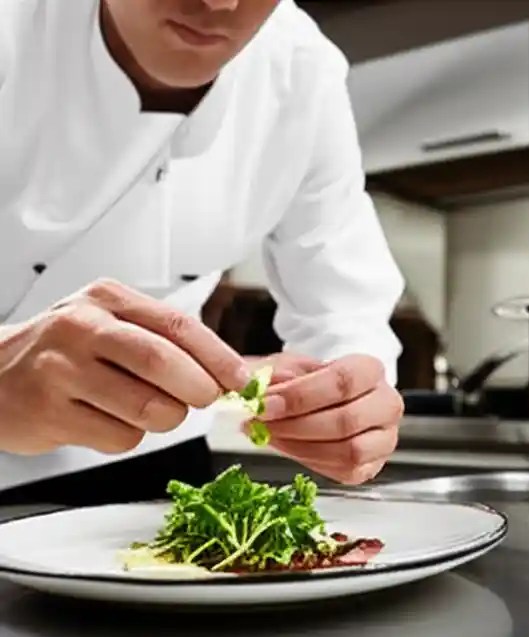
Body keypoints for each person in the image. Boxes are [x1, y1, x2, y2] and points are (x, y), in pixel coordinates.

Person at [0, 0, 406, 506]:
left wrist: (350, 398)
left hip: (159, 465)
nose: (221, 2)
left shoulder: (302, 70)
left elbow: (346, 309)